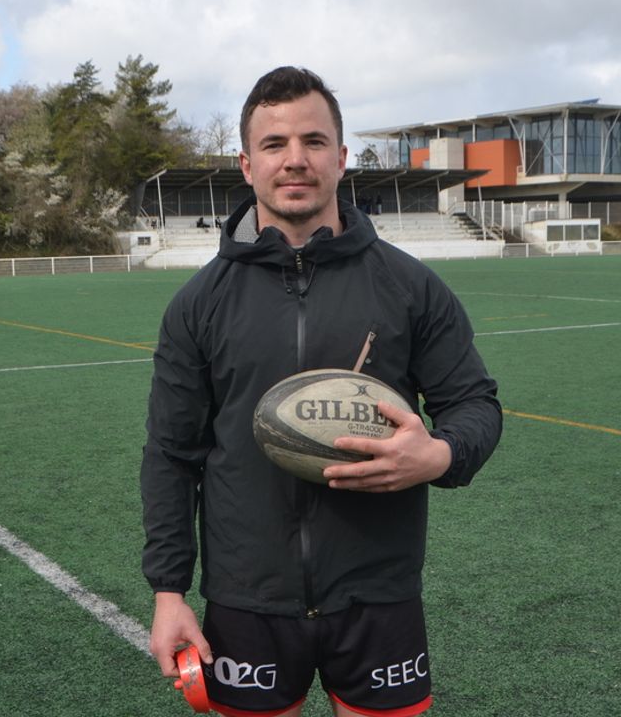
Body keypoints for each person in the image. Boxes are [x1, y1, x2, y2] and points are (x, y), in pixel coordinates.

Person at [141, 66, 501, 717]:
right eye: (275, 145)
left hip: (377, 593)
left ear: (341, 157)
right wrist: (169, 591)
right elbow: (171, 454)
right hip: (248, 598)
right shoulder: (198, 306)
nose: (295, 160)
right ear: (246, 165)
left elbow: (475, 404)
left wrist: (439, 456)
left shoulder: (409, 287)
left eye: (313, 141)